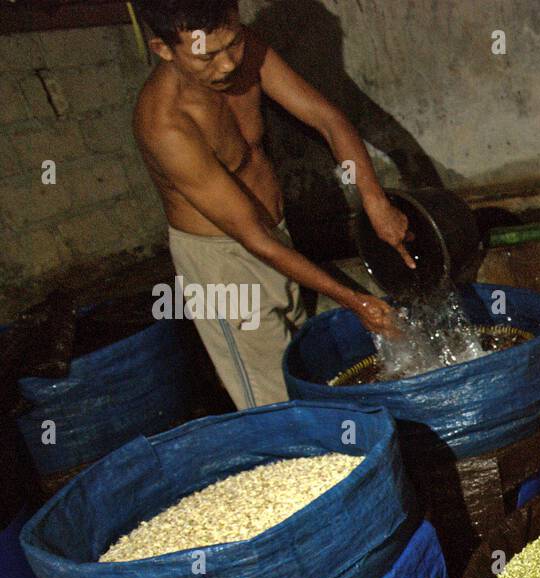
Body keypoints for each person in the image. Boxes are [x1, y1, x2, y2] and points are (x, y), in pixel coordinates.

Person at [133, 0, 413, 409]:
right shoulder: (165, 124)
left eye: (232, 44)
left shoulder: (248, 52)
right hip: (225, 265)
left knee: (308, 371)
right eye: (206, 56)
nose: (227, 65)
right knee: (275, 402)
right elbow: (253, 239)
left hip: (277, 236)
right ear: (162, 49)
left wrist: (376, 201)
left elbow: (327, 120)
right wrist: (357, 302)